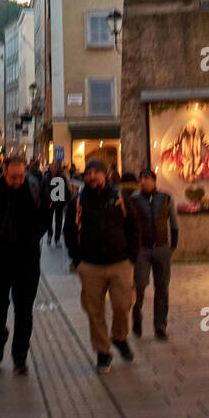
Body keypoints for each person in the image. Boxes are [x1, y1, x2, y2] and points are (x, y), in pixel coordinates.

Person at [64, 158, 139, 374]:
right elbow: (69, 233)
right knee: (94, 311)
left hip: (120, 263)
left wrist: (131, 257)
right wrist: (78, 260)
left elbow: (134, 226)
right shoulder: (77, 202)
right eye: (89, 173)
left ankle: (119, 337)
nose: (92, 176)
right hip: (91, 266)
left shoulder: (119, 198)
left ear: (106, 175)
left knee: (123, 304)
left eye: (97, 172)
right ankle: (103, 352)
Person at [0, 154, 51, 375]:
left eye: (21, 176)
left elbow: (46, 216)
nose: (17, 181)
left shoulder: (34, 188)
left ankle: (20, 355)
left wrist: (33, 237)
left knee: (24, 310)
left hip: (26, 259)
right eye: (13, 177)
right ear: (4, 172)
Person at [130, 167, 178, 340]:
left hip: (161, 247)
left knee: (162, 288)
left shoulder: (165, 198)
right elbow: (130, 223)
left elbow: (172, 220)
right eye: (141, 178)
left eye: (148, 178)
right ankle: (137, 316)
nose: (144, 181)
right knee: (139, 286)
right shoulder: (134, 199)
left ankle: (160, 325)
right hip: (142, 249)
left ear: (154, 180)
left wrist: (174, 242)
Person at [41, 160, 71, 247]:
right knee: (48, 220)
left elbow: (66, 190)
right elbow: (43, 190)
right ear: (49, 168)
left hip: (59, 202)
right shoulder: (46, 177)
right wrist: (44, 202)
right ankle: (50, 235)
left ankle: (57, 239)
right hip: (49, 202)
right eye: (52, 166)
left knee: (59, 221)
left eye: (55, 167)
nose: (53, 168)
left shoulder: (62, 177)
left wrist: (66, 202)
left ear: (57, 168)